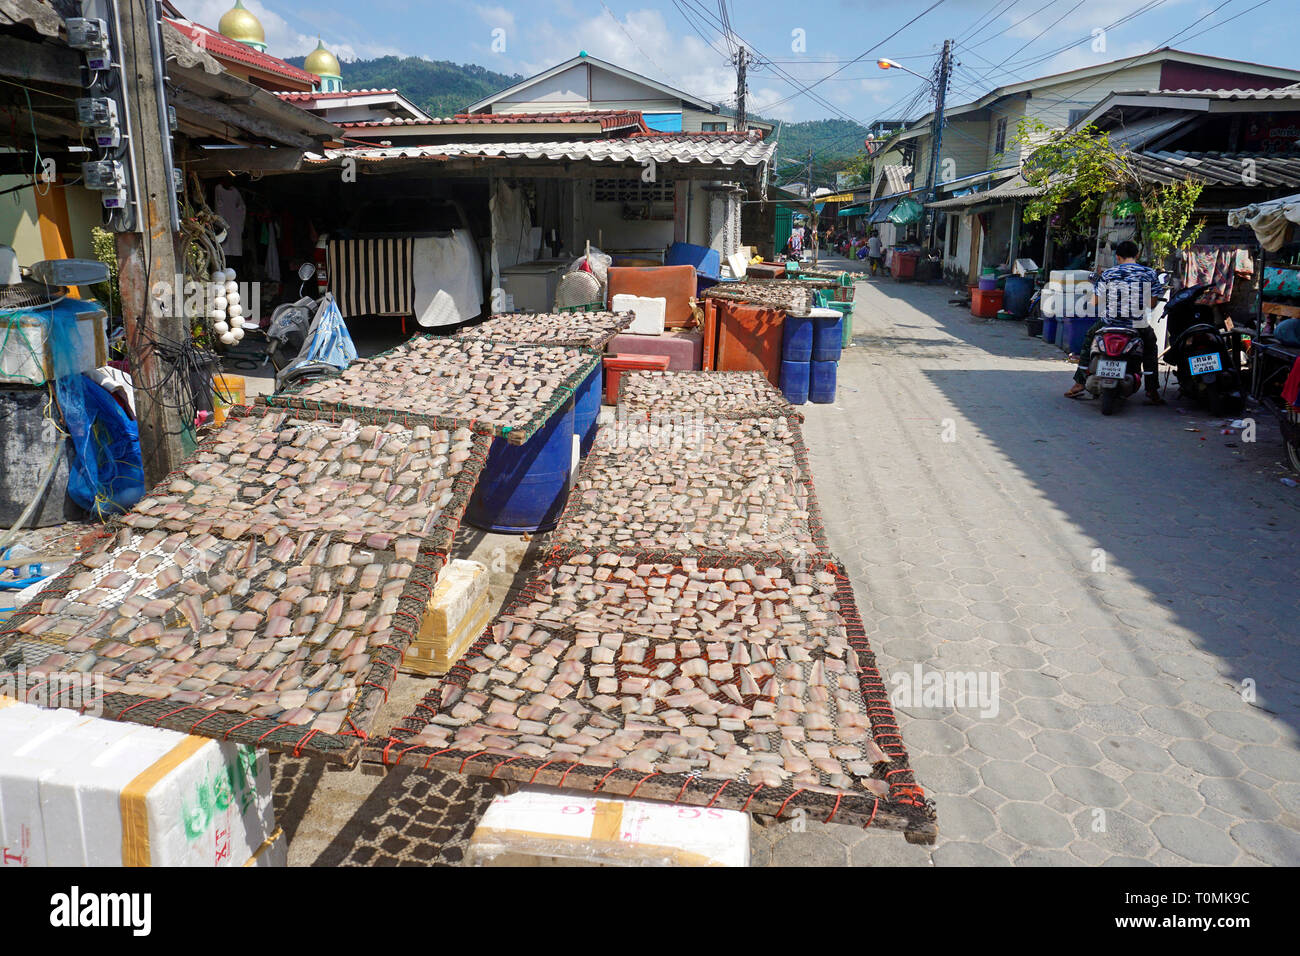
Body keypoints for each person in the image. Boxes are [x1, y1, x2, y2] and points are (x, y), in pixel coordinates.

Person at [1064, 239, 1164, 404]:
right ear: (1137, 255)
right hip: (1137, 324)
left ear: (1117, 257)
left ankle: (1079, 383)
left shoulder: (1109, 274)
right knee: (1150, 347)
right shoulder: (1149, 273)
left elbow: (1095, 302)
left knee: (1089, 339)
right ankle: (1152, 390)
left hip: (1110, 323)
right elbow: (1152, 304)